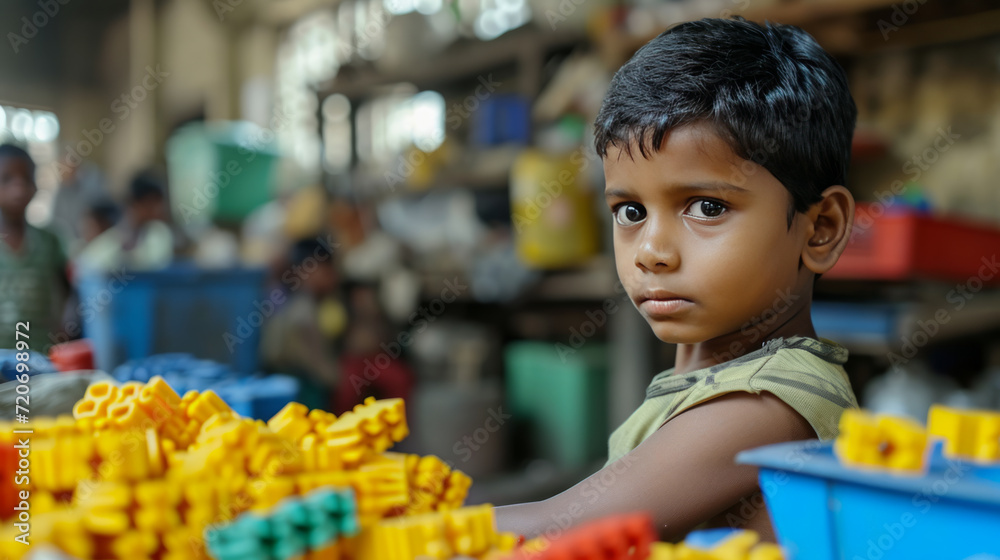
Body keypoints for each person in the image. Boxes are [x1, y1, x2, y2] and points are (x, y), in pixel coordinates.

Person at [494, 17, 859, 541]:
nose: (651, 252)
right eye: (630, 211)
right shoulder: (711, 380)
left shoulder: (773, 400)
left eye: (706, 207)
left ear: (820, 228)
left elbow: (567, 531)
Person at [0, 144, 69, 351]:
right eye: (7, 179)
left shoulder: (50, 241)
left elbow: (70, 290)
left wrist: (65, 328)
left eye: (26, 179)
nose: (18, 188)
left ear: (35, 186)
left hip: (40, 357)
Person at [76, 171, 174, 272]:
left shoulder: (158, 234)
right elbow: (87, 265)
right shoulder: (114, 239)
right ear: (136, 203)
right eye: (153, 203)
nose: (159, 209)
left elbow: (154, 268)